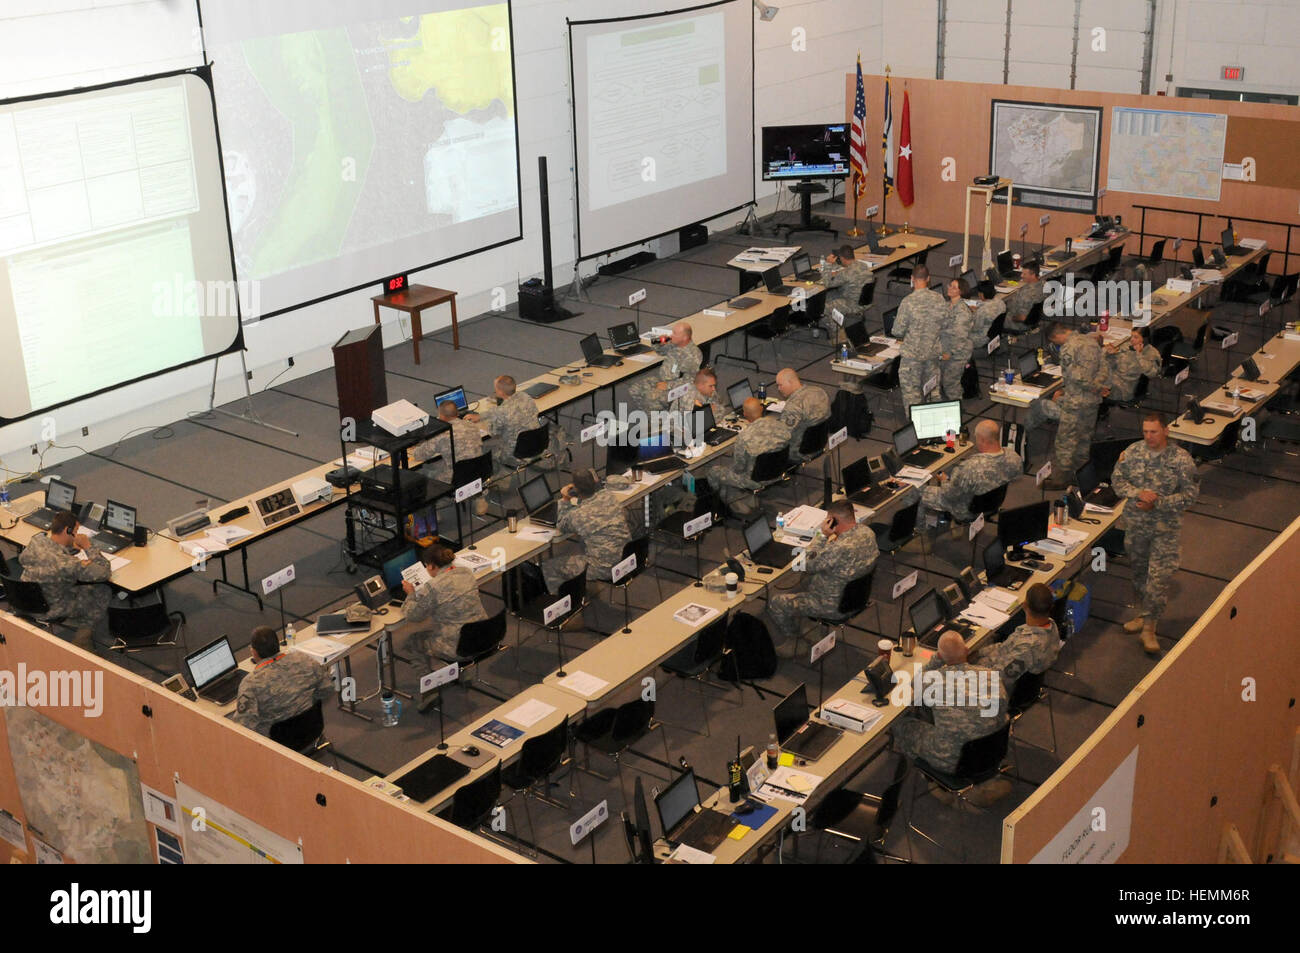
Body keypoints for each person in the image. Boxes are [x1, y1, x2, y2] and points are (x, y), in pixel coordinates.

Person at [1110, 413, 1199, 653]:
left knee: (1157, 581)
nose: (1149, 436)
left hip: (1165, 530)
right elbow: (1117, 481)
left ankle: (1150, 628)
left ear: (1166, 431)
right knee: (1139, 574)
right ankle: (1142, 614)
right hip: (1136, 526)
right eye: (1145, 431)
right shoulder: (1132, 452)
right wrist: (1138, 493)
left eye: (1154, 431)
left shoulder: (1181, 460)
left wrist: (1157, 502)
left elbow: (1190, 495)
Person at [892, 631, 1008, 774]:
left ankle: (919, 777)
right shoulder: (991, 676)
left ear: (940, 656)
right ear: (966, 650)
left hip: (952, 760)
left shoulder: (934, 681)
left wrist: (936, 660)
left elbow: (914, 682)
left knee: (901, 724)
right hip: (993, 749)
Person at [767, 500, 879, 642]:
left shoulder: (838, 548)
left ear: (834, 520)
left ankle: (794, 640)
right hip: (858, 597)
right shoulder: (868, 532)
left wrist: (822, 535)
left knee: (776, 602)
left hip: (832, 604)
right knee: (807, 581)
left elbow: (805, 564)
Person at [401, 544, 489, 711]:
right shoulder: (466, 573)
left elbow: (413, 616)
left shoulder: (433, 586)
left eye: (426, 566)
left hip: (459, 646)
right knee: (452, 629)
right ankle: (463, 673)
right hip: (484, 636)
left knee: (414, 642)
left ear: (432, 566)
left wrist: (411, 594)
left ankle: (429, 692)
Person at [1029, 322, 1110, 491]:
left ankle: (1061, 479)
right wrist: (1099, 386)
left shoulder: (1068, 349)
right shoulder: (1090, 340)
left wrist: (1094, 386)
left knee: (1065, 441)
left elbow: (1076, 377)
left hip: (1076, 402)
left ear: (1056, 336)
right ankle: (1081, 474)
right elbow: (1103, 364)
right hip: (1092, 401)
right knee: (1084, 437)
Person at [19, 510, 112, 648]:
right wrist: (88, 546)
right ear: (68, 530)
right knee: (103, 589)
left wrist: (68, 550)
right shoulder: (67, 564)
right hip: (52, 607)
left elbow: (47, 557)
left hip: (26, 599)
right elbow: (104, 571)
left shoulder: (36, 542)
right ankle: (82, 640)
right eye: (76, 530)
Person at [233, 626, 334, 736]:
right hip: (313, 729)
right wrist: (307, 702)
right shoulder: (303, 659)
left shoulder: (250, 683)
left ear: (254, 652)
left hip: (278, 745)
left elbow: (243, 727)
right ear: (278, 644)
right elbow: (328, 688)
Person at [542, 468, 631, 592]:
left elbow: (562, 525)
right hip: (627, 559)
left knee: (548, 567)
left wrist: (565, 499)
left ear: (576, 489)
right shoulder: (608, 496)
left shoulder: (578, 515)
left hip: (604, 568)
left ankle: (565, 605)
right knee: (584, 543)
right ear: (595, 483)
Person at [920, 419, 1021, 524]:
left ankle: (920, 530)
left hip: (964, 510)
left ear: (981, 439)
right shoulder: (1013, 457)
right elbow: (1015, 476)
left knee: (916, 491)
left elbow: (949, 495)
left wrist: (944, 480)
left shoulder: (968, 468)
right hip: (993, 504)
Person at [703, 397, 791, 514]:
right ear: (761, 409)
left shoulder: (744, 437)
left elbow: (738, 468)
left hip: (754, 480)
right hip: (778, 472)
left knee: (713, 471)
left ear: (744, 414)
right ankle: (738, 498)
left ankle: (720, 505)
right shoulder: (781, 426)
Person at [975, 583, 1061, 690]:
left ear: (1024, 605)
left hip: (997, 685)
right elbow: (1005, 646)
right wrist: (978, 653)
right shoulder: (1051, 625)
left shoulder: (1027, 647)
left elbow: (999, 679)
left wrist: (968, 666)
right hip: (998, 663)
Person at [892, 264, 948, 411]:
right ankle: (937, 426)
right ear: (928, 279)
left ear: (912, 279)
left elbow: (897, 331)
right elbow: (945, 323)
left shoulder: (908, 302)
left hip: (912, 357)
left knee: (912, 396)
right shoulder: (939, 299)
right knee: (933, 392)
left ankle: (915, 429)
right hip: (932, 353)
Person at [465, 374, 539, 474]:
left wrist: (485, 421)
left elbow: (493, 432)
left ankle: (499, 480)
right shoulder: (525, 397)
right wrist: (481, 416)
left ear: (500, 392)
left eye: (495, 388)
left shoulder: (501, 412)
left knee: (484, 447)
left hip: (514, 453)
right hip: (536, 443)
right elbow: (500, 411)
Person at [628, 321, 703, 415]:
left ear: (684, 338)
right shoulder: (675, 343)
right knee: (635, 389)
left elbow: (690, 381)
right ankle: (655, 414)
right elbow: (660, 351)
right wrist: (658, 340)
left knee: (650, 397)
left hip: (675, 387)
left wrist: (668, 385)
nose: (671, 335)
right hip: (662, 379)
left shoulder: (692, 355)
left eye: (675, 333)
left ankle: (658, 423)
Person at [411, 400, 484, 484]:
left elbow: (418, 455)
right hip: (477, 471)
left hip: (456, 477)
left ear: (441, 416)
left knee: (422, 471)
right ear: (457, 413)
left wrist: (416, 445)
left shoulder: (441, 434)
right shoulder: (471, 425)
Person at [775, 368, 830, 459]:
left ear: (790, 382)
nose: (779, 389)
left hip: (797, 452)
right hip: (819, 444)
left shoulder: (793, 406)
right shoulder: (819, 392)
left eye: (780, 385)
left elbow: (781, 436)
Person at [820, 244, 875, 335]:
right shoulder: (863, 265)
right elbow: (850, 273)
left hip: (853, 304)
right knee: (831, 294)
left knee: (825, 306)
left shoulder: (846, 273)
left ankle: (837, 332)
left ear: (842, 258)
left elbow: (827, 283)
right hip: (865, 300)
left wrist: (828, 265)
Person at [1103, 327, 1162, 405]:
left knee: (1088, 391)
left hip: (1123, 388)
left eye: (1136, 337)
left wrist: (1139, 355)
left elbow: (1152, 373)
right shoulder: (1127, 346)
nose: (1131, 340)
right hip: (1110, 378)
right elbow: (1112, 365)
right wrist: (1110, 355)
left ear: (1145, 339)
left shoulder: (1152, 354)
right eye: (1131, 336)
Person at [939, 278, 976, 402]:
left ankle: (957, 409)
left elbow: (959, 337)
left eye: (954, 287)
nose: (949, 288)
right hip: (944, 348)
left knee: (950, 383)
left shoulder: (962, 312)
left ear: (961, 291)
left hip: (957, 353)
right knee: (940, 380)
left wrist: (950, 353)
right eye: (950, 285)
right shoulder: (946, 305)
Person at [1004, 261, 1046, 338]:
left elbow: (1023, 318)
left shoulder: (1026, 295)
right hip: (1034, 321)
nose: (1021, 276)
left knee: (991, 317)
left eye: (1024, 274)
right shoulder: (1043, 284)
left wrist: (1011, 318)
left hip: (1019, 325)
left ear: (1033, 275)